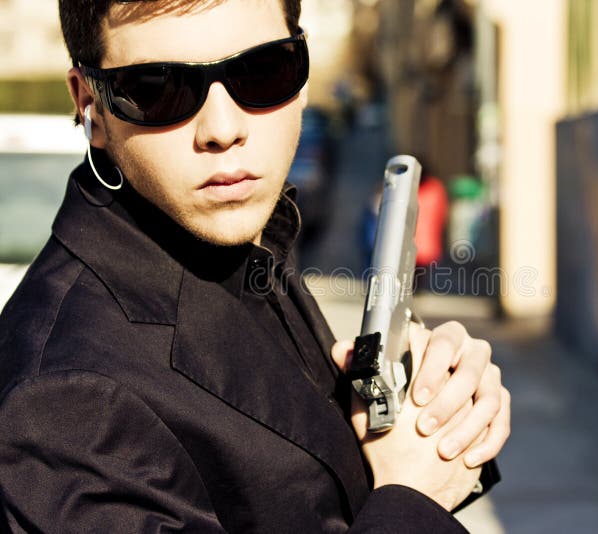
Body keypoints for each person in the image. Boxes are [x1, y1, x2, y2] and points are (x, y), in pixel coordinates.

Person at [0, 0, 510, 531]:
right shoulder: (61, 402)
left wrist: (429, 427)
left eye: (262, 72)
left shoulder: (243, 246)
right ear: (91, 107)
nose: (223, 130)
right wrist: (412, 499)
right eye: (158, 89)